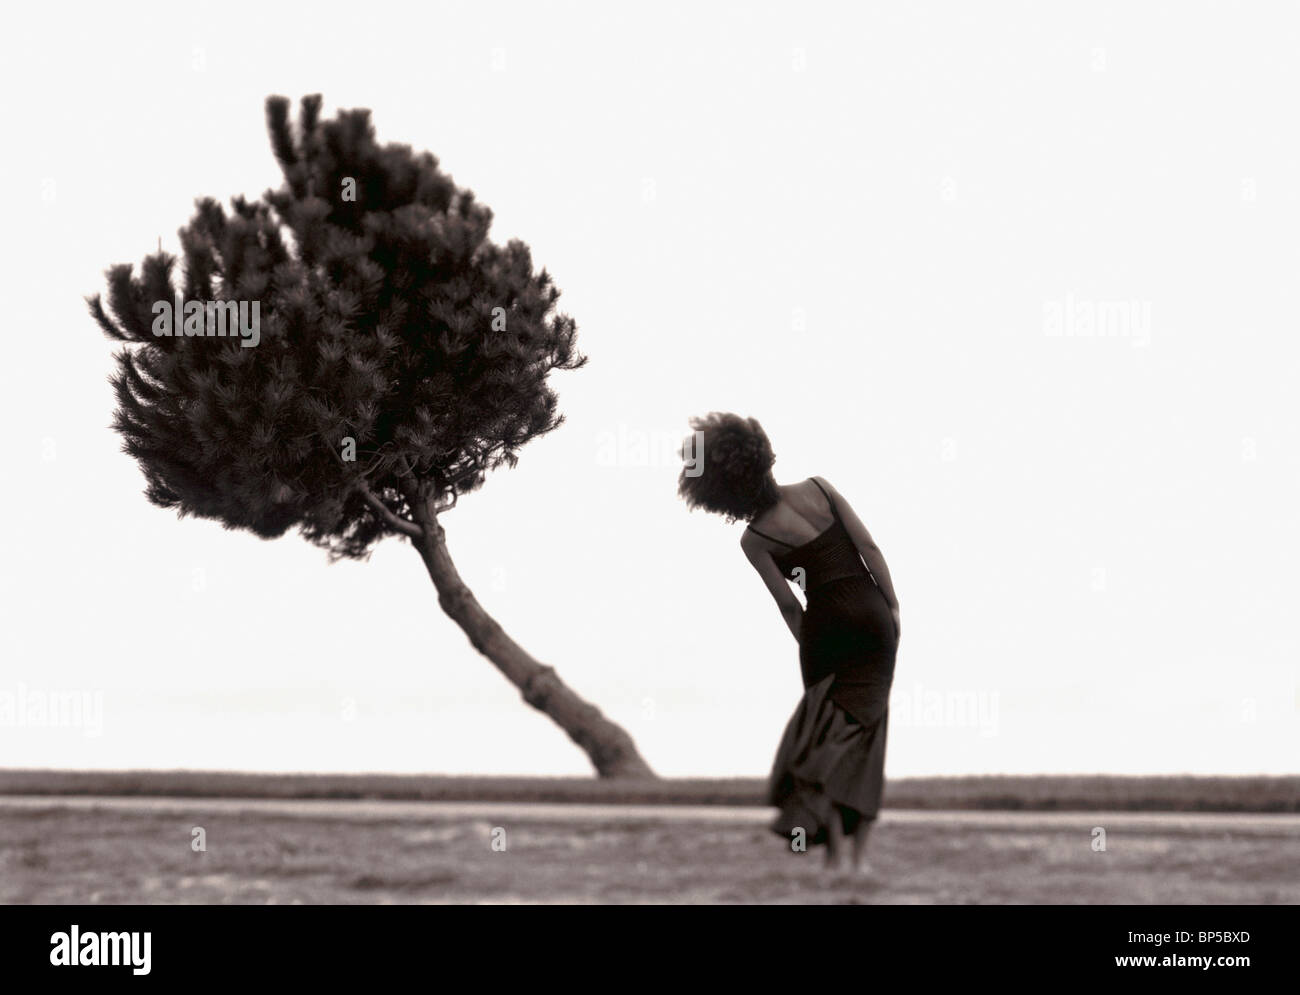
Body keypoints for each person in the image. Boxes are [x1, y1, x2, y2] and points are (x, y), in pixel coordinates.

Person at [678, 412, 900, 874]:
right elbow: (870, 550)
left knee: (824, 742)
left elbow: (789, 607)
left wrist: (814, 646)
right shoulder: (820, 487)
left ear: (719, 492)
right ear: (761, 454)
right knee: (868, 736)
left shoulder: (755, 538)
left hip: (825, 631)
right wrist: (892, 608)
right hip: (872, 617)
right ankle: (858, 861)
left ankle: (835, 852)